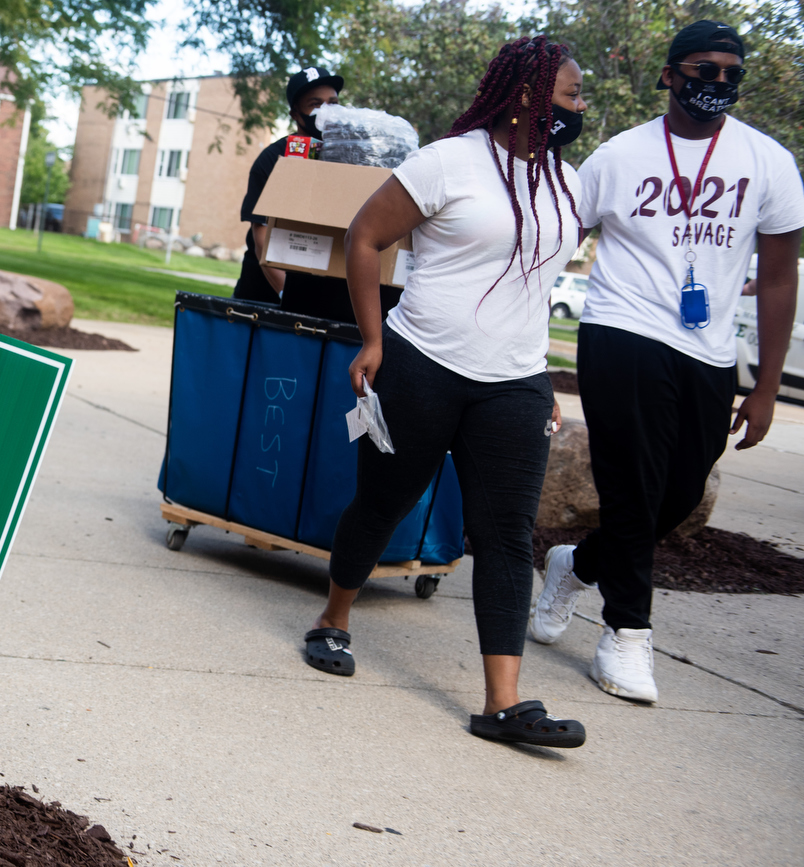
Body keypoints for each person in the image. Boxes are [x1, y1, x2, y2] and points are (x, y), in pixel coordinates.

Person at [302, 36, 590, 748]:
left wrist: (542, 377)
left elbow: (537, 284)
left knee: (506, 535)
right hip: (422, 363)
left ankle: (502, 702)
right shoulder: (448, 160)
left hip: (515, 385)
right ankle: (332, 618)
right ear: (528, 95)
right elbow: (365, 236)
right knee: (383, 500)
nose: (582, 106)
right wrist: (373, 340)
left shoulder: (568, 181)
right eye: (573, 94)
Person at [530, 20, 804, 703]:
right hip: (622, 330)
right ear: (668, 74)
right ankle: (626, 633)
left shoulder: (768, 161)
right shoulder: (619, 157)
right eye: (701, 70)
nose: (716, 84)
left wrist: (766, 385)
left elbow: (777, 277)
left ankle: (575, 564)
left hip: (708, 349)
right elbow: (553, 244)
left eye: (729, 74)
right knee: (635, 483)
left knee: (678, 493)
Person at [233, 66, 357, 322]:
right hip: (266, 299)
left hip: (324, 301)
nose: (327, 111)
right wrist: (286, 296)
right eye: (315, 104)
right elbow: (262, 238)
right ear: (296, 114)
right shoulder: (273, 160)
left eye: (333, 102)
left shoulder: (350, 161)